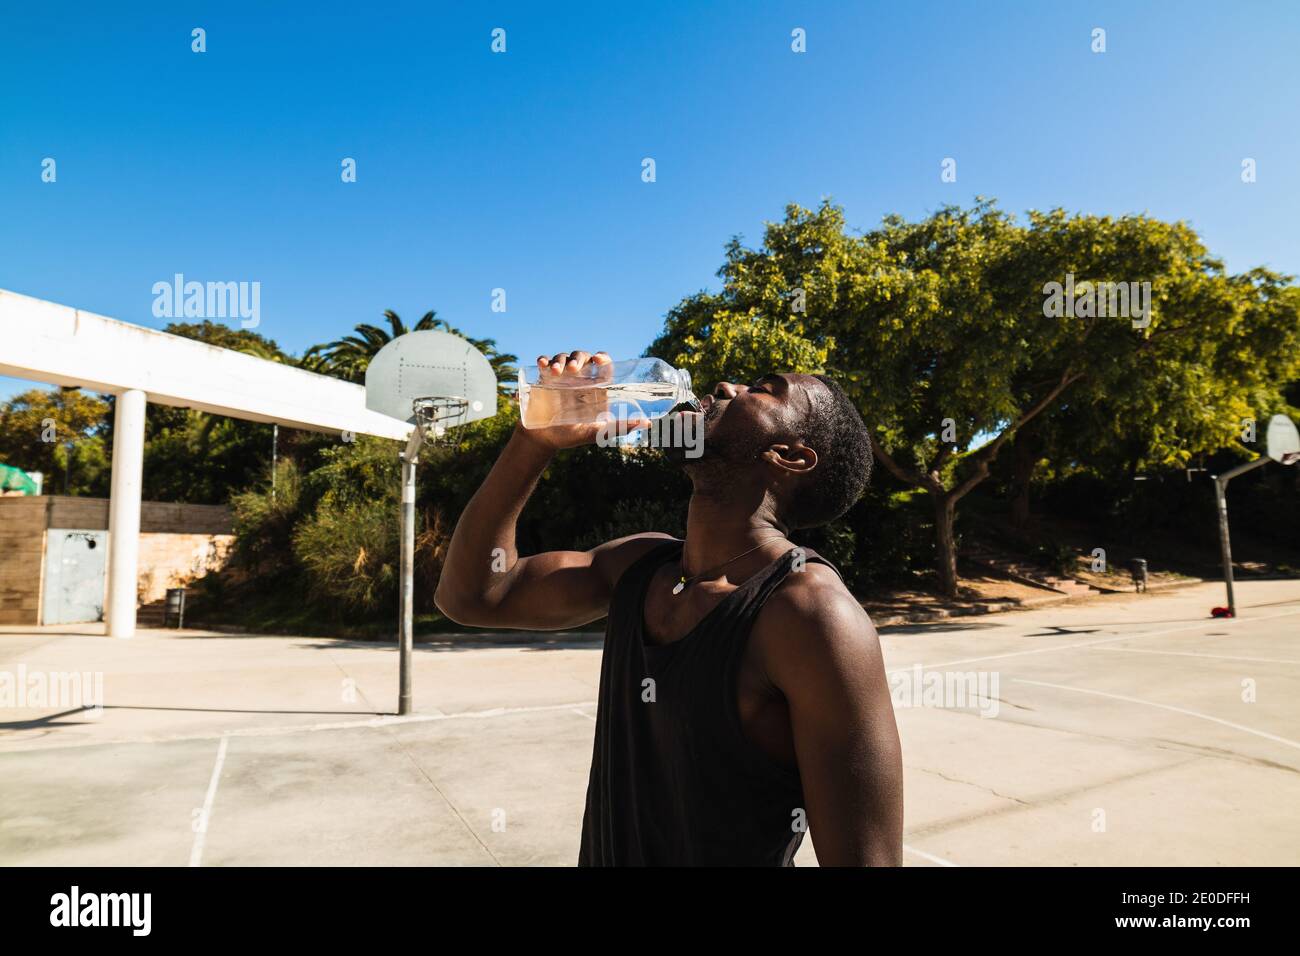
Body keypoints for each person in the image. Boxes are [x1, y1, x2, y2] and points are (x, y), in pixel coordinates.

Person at [436, 350, 903, 866]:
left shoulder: (810, 614)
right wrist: (534, 440)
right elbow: (474, 595)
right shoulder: (638, 565)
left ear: (790, 456)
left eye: (763, 389)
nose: (726, 386)